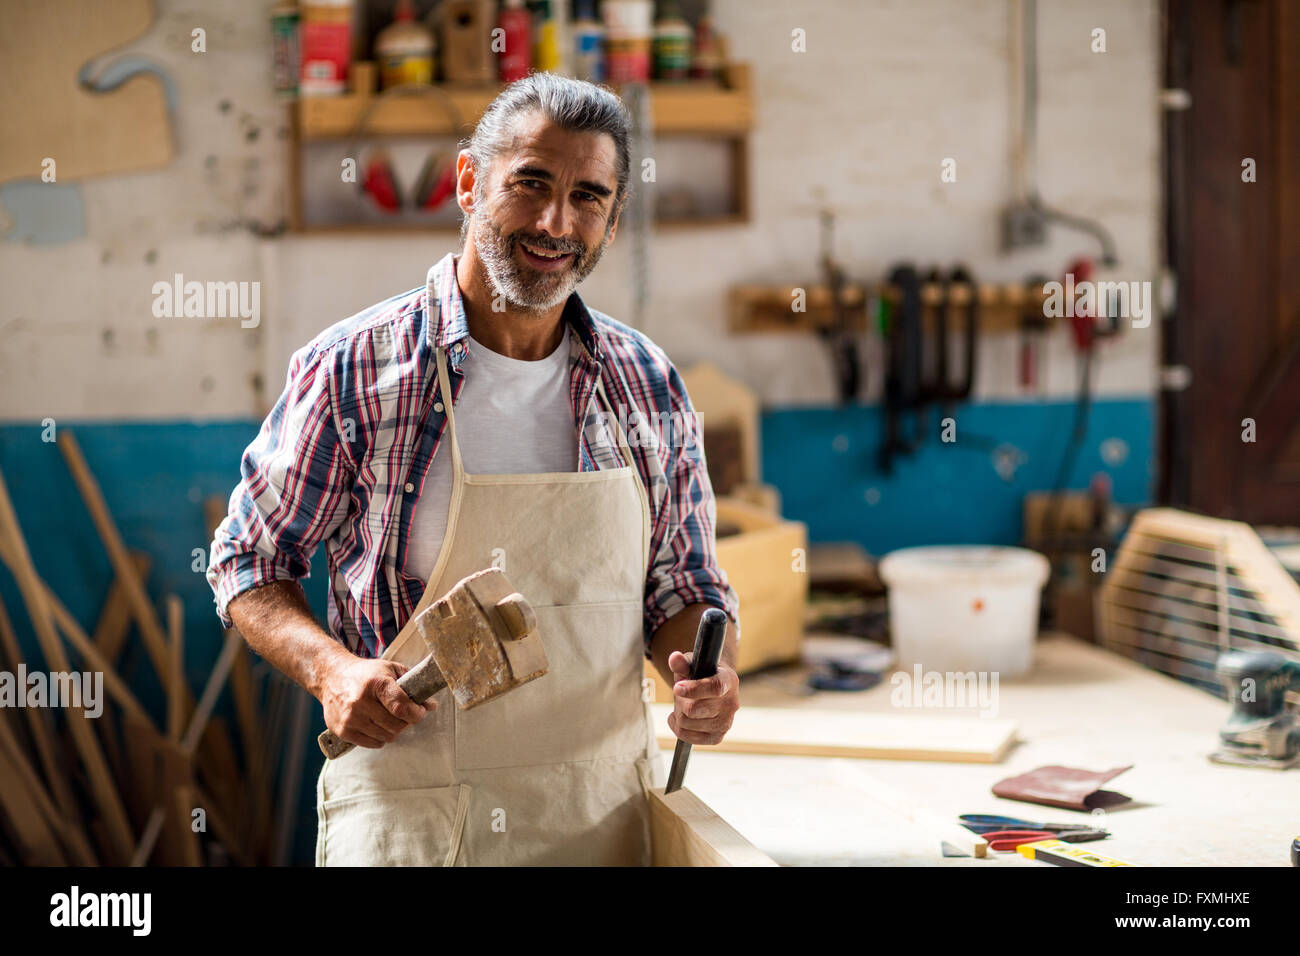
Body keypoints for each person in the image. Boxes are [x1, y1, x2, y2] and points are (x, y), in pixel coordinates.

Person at [207, 73, 741, 866]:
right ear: (467, 182)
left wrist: (712, 678)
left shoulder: (645, 382)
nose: (557, 222)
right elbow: (247, 559)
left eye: (588, 197)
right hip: (412, 818)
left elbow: (685, 588)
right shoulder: (356, 369)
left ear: (614, 220)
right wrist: (332, 672)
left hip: (596, 818)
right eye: (531, 183)